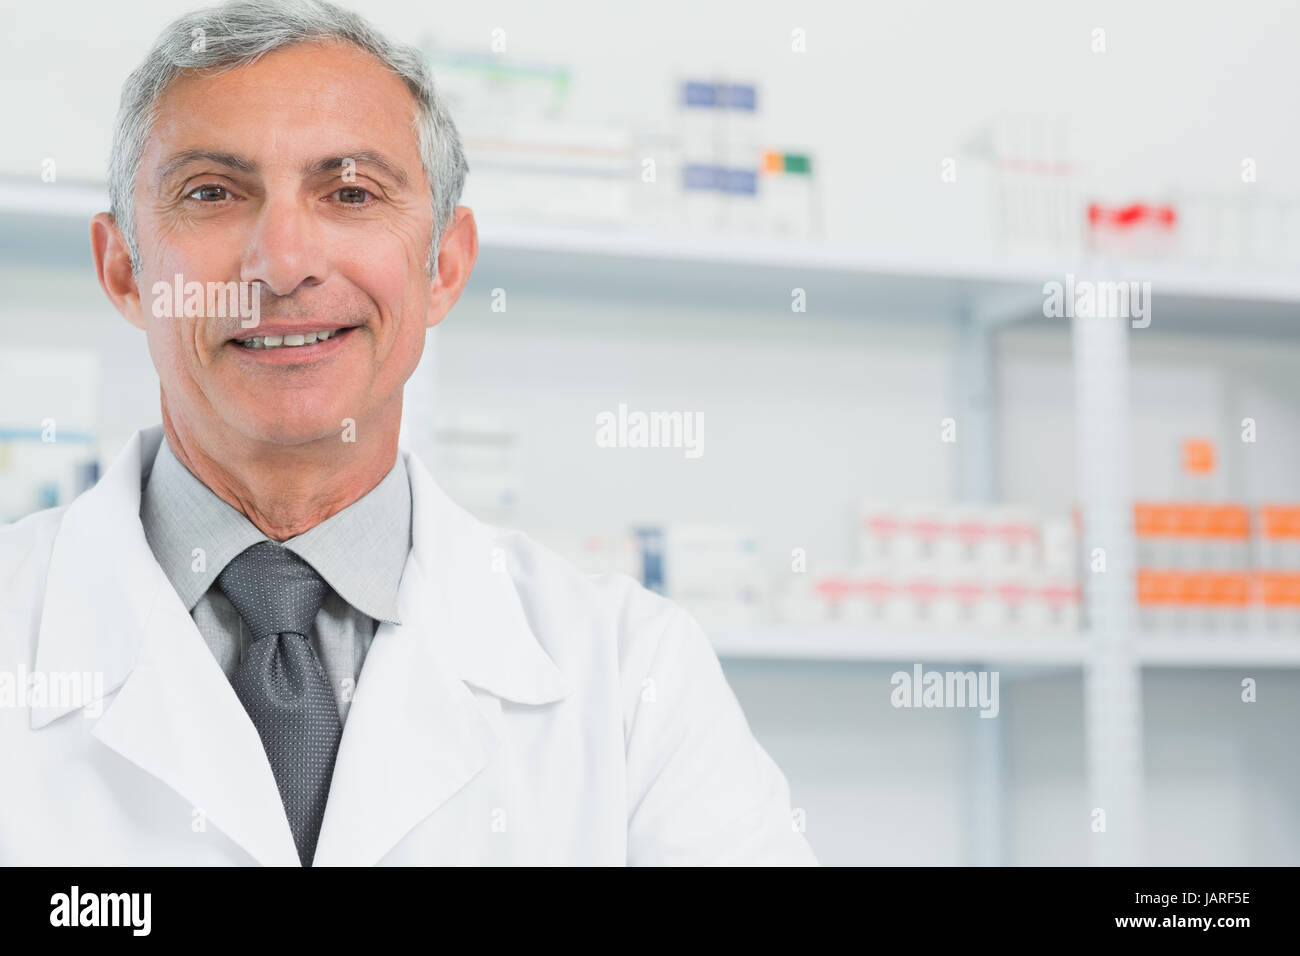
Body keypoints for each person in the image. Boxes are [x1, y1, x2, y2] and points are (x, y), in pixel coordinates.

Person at [0, 0, 817, 866]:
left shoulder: (632, 678)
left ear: (445, 269)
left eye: (351, 193)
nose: (283, 263)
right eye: (211, 193)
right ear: (124, 271)